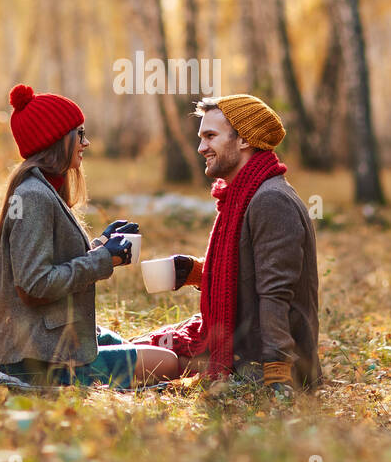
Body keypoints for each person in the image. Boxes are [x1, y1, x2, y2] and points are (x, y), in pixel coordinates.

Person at [0, 84, 181, 387]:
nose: (86, 142)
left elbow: (46, 263)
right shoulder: (34, 196)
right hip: (40, 362)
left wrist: (101, 246)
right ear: (56, 138)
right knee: (168, 362)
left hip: (43, 345)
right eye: (79, 134)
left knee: (133, 345)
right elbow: (34, 285)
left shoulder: (38, 190)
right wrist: (104, 259)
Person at [134, 94, 322, 393]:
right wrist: (195, 273)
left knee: (121, 361)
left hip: (256, 363)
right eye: (201, 137)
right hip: (235, 344)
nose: (201, 148)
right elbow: (250, 270)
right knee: (131, 347)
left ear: (245, 140)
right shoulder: (243, 194)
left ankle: (49, 374)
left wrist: (276, 377)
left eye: (211, 136)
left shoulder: (271, 200)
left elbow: (276, 294)